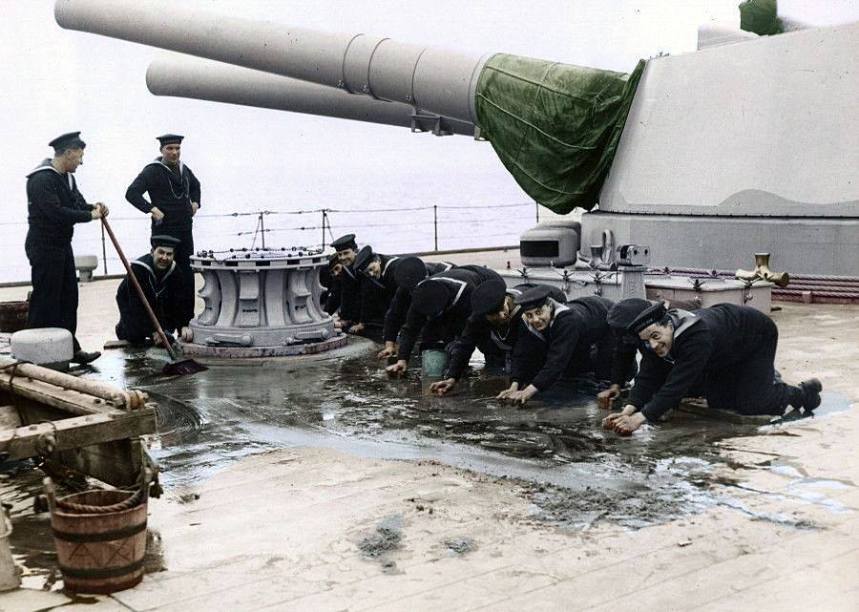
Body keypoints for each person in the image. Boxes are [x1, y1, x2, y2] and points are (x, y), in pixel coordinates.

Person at [602, 302, 823, 435]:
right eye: (647, 341)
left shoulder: (695, 336)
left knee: (754, 403)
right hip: (722, 349)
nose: (653, 345)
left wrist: (640, 418)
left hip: (754, 335)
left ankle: (802, 392)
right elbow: (648, 375)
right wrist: (627, 411)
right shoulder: (654, 332)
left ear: (668, 325)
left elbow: (677, 384)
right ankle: (757, 380)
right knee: (720, 401)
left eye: (656, 337)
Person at [25, 131, 107, 365]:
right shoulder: (41, 179)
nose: (81, 162)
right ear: (68, 153)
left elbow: (77, 204)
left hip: (62, 246)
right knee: (46, 299)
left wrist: (95, 207)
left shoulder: (68, 178)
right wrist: (89, 216)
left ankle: (69, 348)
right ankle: (33, 353)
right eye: (79, 156)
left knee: (69, 299)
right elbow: (56, 213)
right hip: (43, 246)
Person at [430, 281, 565, 396]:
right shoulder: (476, 319)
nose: (502, 315)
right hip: (508, 343)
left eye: (502, 308)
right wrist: (452, 377)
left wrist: (516, 383)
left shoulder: (524, 312)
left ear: (506, 299)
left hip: (543, 328)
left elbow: (523, 350)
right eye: (494, 314)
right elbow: (465, 345)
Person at [125, 134, 201, 327]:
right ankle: (163, 325)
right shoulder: (152, 171)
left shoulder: (184, 169)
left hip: (185, 229)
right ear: (162, 150)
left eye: (177, 148)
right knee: (164, 274)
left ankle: (186, 321)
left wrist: (195, 202)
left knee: (186, 273)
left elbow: (196, 186)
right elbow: (131, 193)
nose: (174, 152)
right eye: (170, 149)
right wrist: (151, 208)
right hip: (164, 230)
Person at [497, 286, 615, 405]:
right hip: (583, 325)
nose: (535, 319)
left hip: (605, 316)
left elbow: (557, 359)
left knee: (604, 369)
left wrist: (528, 391)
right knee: (571, 371)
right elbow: (522, 352)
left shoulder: (568, 320)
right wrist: (515, 385)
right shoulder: (527, 321)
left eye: (539, 312)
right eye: (529, 315)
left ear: (549, 306)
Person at [386, 265, 501, 376]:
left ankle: (497, 366)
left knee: (481, 337)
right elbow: (410, 329)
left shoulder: (467, 294)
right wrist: (402, 359)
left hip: (487, 281)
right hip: (455, 280)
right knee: (433, 337)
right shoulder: (421, 296)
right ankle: (454, 366)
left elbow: (472, 331)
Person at [115, 235, 192, 346]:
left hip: (157, 304)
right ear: (152, 252)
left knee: (166, 337)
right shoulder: (138, 269)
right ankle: (123, 328)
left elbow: (180, 301)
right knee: (135, 337)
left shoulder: (175, 271)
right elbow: (135, 304)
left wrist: (183, 325)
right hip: (131, 304)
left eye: (169, 254)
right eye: (161, 252)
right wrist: (153, 332)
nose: (165, 258)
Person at [376, 256, 454, 360]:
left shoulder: (445, 278)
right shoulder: (407, 284)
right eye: (412, 291)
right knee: (425, 341)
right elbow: (394, 314)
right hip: (429, 310)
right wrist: (390, 345)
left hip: (450, 308)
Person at [329, 234, 362, 332]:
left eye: (346, 253)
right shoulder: (345, 270)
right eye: (339, 254)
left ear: (355, 251)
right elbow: (338, 294)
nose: (342, 257)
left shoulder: (364, 267)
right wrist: (324, 316)